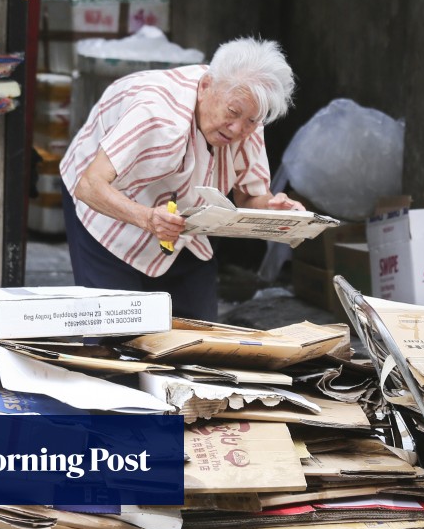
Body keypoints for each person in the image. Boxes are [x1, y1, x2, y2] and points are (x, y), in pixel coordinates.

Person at [59, 37, 303, 321]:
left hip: (183, 219)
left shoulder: (248, 118)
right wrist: (147, 218)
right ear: (204, 87)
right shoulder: (155, 113)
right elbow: (90, 185)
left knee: (197, 335)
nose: (238, 129)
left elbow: (248, 197)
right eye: (233, 113)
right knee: (116, 331)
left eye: (251, 121)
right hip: (107, 204)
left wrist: (275, 209)